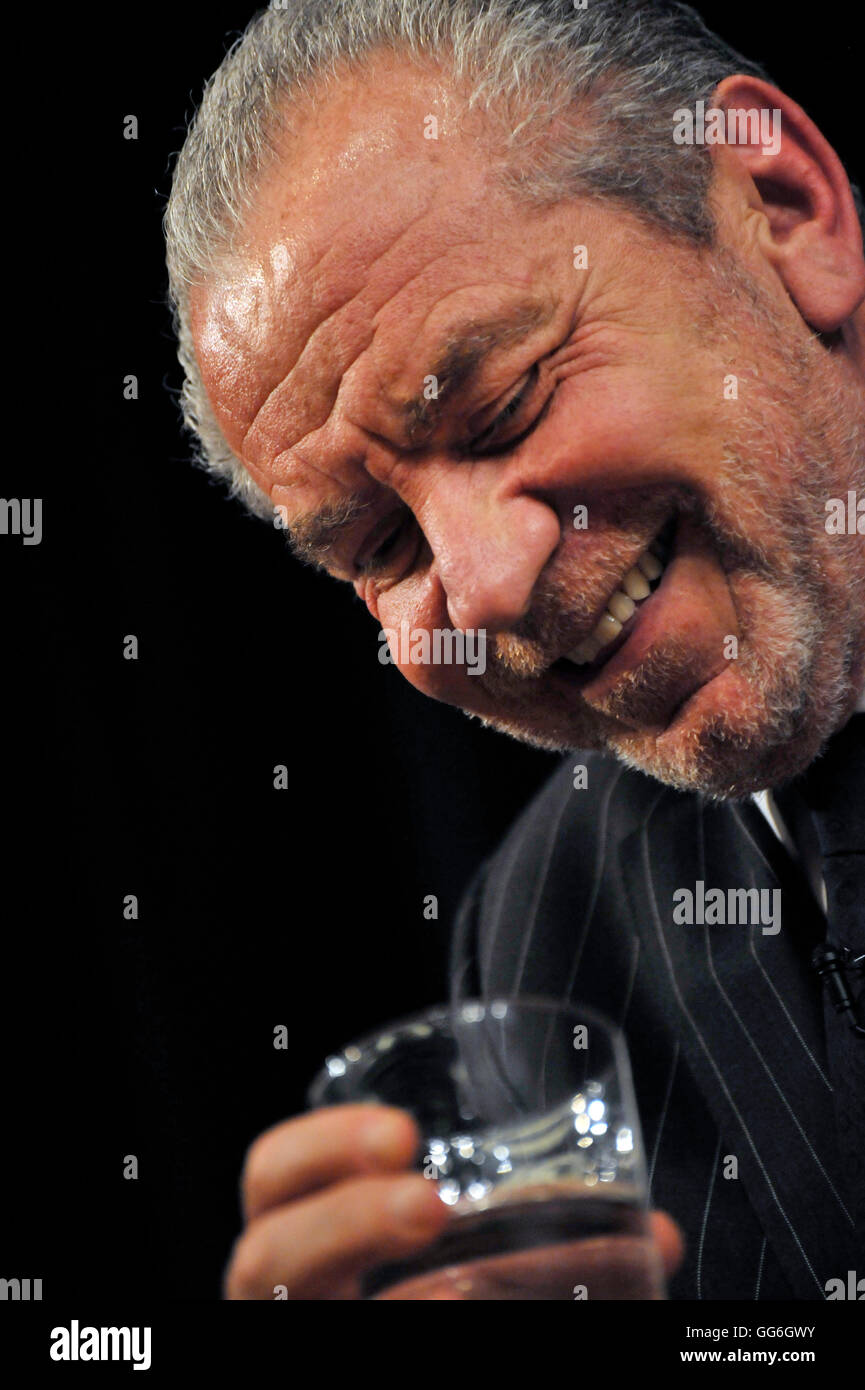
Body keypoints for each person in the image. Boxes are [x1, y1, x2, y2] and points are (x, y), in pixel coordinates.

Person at [164, 0, 864, 1299]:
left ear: (782, 210)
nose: (479, 586)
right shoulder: (536, 934)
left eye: (501, 406)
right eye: (376, 547)